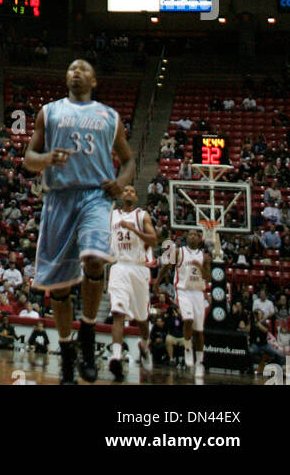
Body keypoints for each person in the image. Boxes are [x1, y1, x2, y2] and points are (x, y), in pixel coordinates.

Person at [24, 59, 135, 385]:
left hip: (95, 197)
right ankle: (67, 353)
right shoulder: (50, 111)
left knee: (94, 259)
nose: (76, 72)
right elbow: (30, 159)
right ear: (66, 77)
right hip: (59, 199)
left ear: (94, 80)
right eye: (71, 68)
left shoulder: (109, 117)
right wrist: (46, 159)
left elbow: (128, 160)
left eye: (84, 69)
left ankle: (87, 329)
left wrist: (120, 181)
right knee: (59, 288)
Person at [107, 184, 157, 381]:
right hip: (119, 266)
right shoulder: (112, 215)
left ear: (136, 197)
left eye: (132, 190)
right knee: (118, 313)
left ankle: (144, 346)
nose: (128, 192)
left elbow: (153, 240)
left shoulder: (142, 216)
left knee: (142, 319)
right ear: (121, 195)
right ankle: (116, 357)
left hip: (139, 268)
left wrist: (133, 230)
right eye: (125, 190)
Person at [161, 228, 212, 378]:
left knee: (199, 331)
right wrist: (157, 282)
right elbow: (166, 267)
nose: (193, 237)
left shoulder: (205, 257)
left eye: (196, 235)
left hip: (197, 292)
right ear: (186, 237)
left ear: (200, 238)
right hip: (183, 290)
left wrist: (200, 267)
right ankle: (188, 349)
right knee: (188, 319)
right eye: (190, 234)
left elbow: (209, 278)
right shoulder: (178, 252)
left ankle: (200, 361)